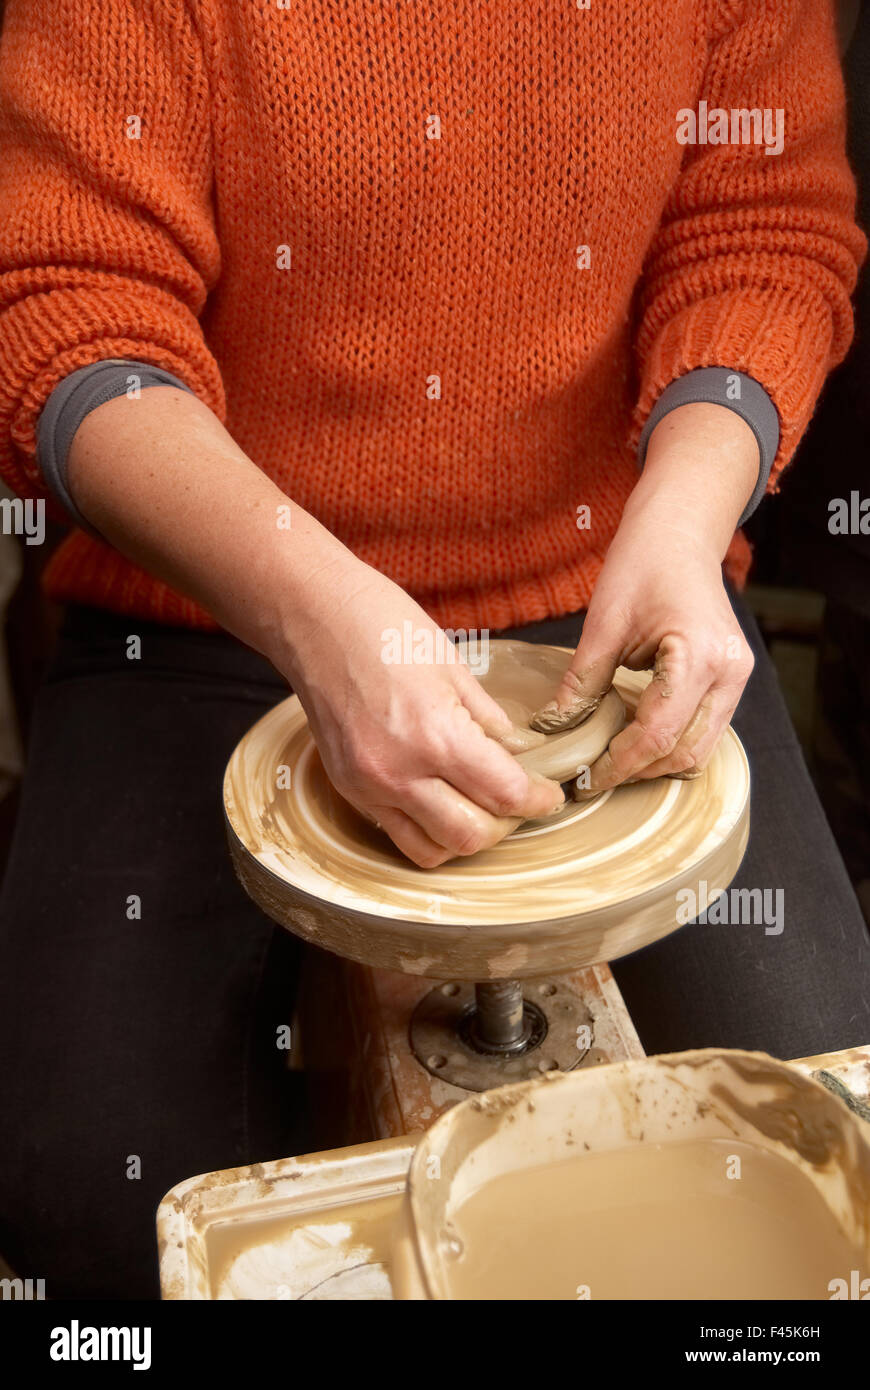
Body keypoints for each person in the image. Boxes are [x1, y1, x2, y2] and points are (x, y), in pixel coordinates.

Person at [0, 0, 868, 1299]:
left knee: (821, 1127)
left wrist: (688, 515)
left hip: (617, 592)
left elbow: (761, 233)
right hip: (211, 600)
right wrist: (308, 605)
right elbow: (72, 301)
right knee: (93, 1194)